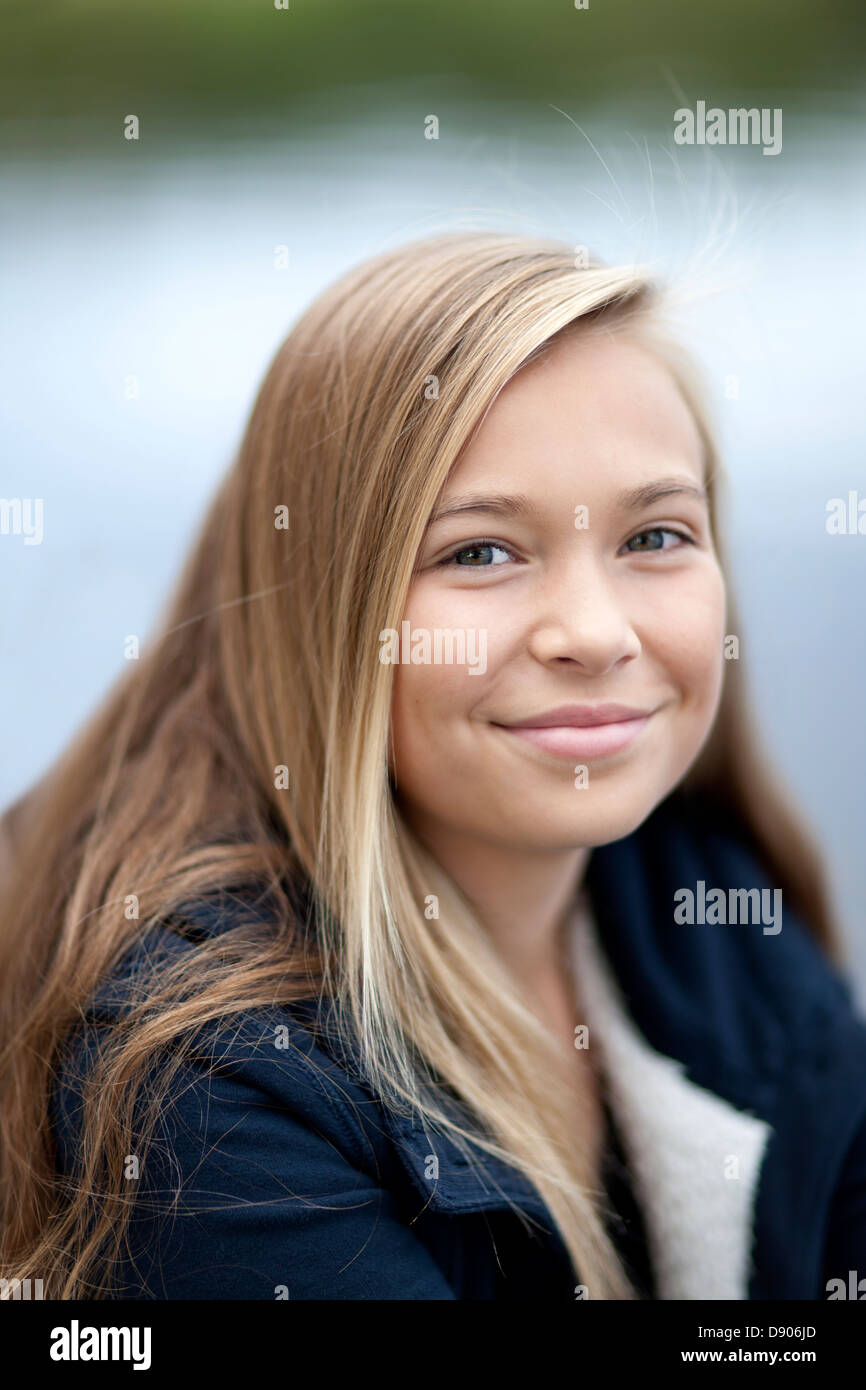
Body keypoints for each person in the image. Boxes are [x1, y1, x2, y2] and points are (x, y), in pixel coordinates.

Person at [1, 231, 864, 1300]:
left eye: (653, 537)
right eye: (478, 552)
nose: (594, 634)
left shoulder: (718, 916)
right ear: (320, 605)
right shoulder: (207, 1072)